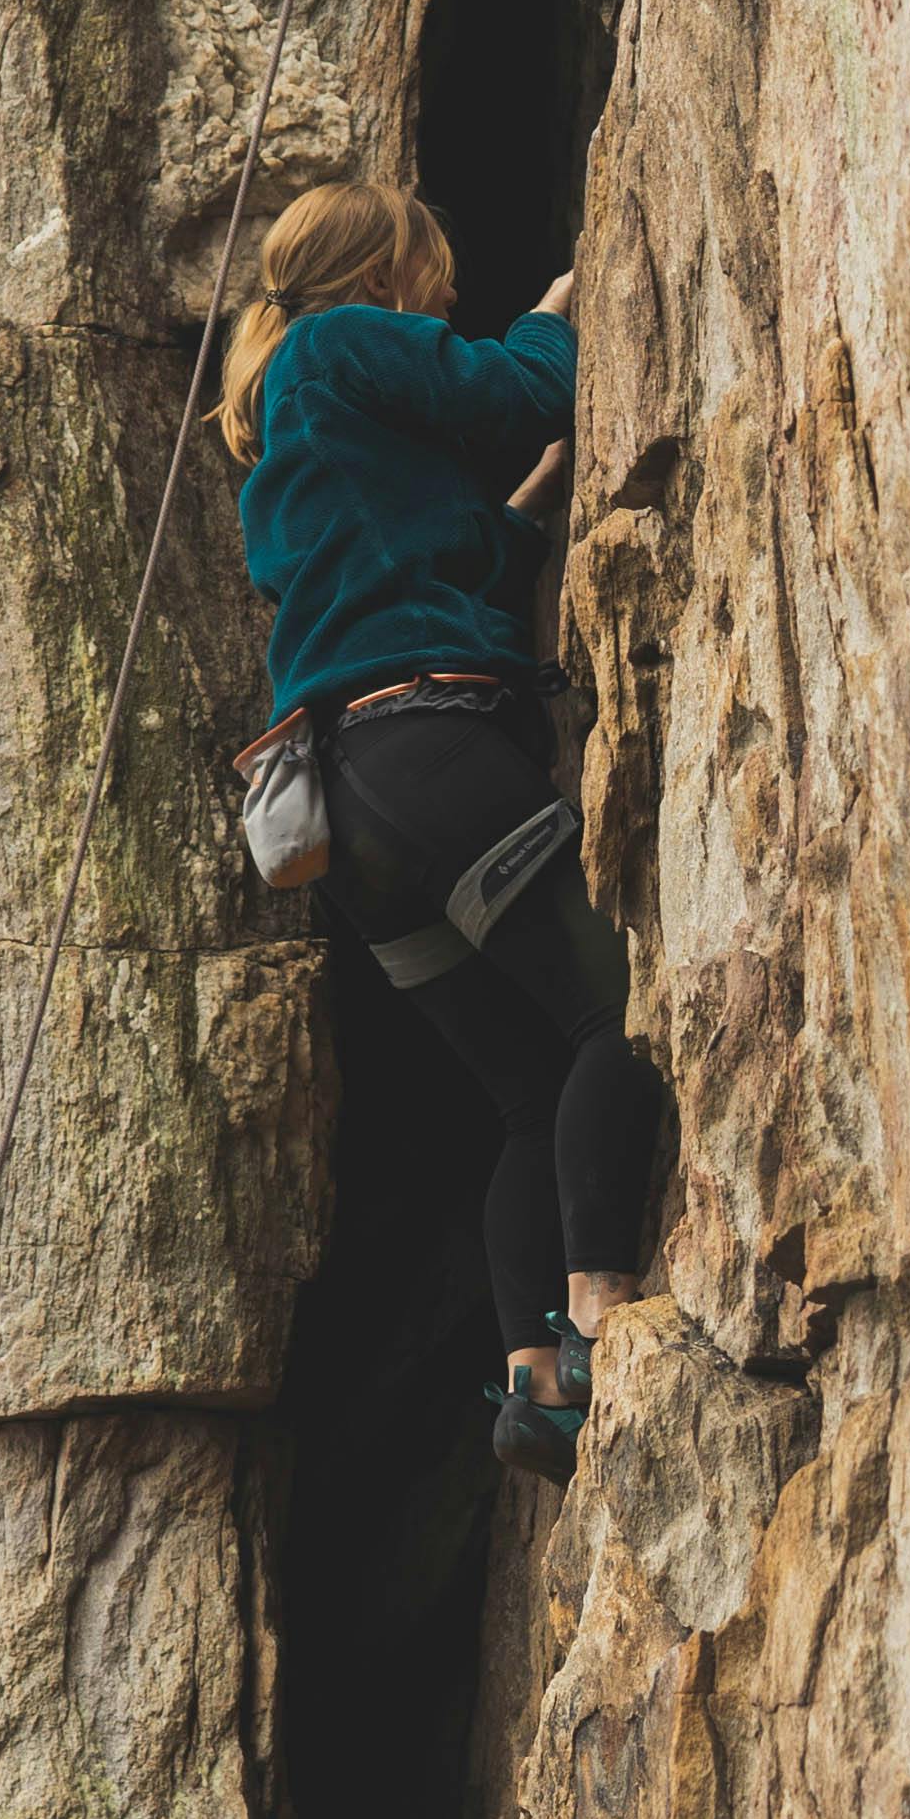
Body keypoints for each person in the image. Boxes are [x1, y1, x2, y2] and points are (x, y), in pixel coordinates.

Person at [220, 176, 664, 1475]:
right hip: (425, 746)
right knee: (612, 1013)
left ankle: (532, 1392)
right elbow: (518, 390)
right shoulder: (345, 343)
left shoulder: (302, 417)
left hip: (345, 809)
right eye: (435, 264)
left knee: (530, 1094)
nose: (448, 292)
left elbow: (435, 562)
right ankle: (598, 1322)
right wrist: (559, 321)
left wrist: (520, 514)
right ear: (386, 267)